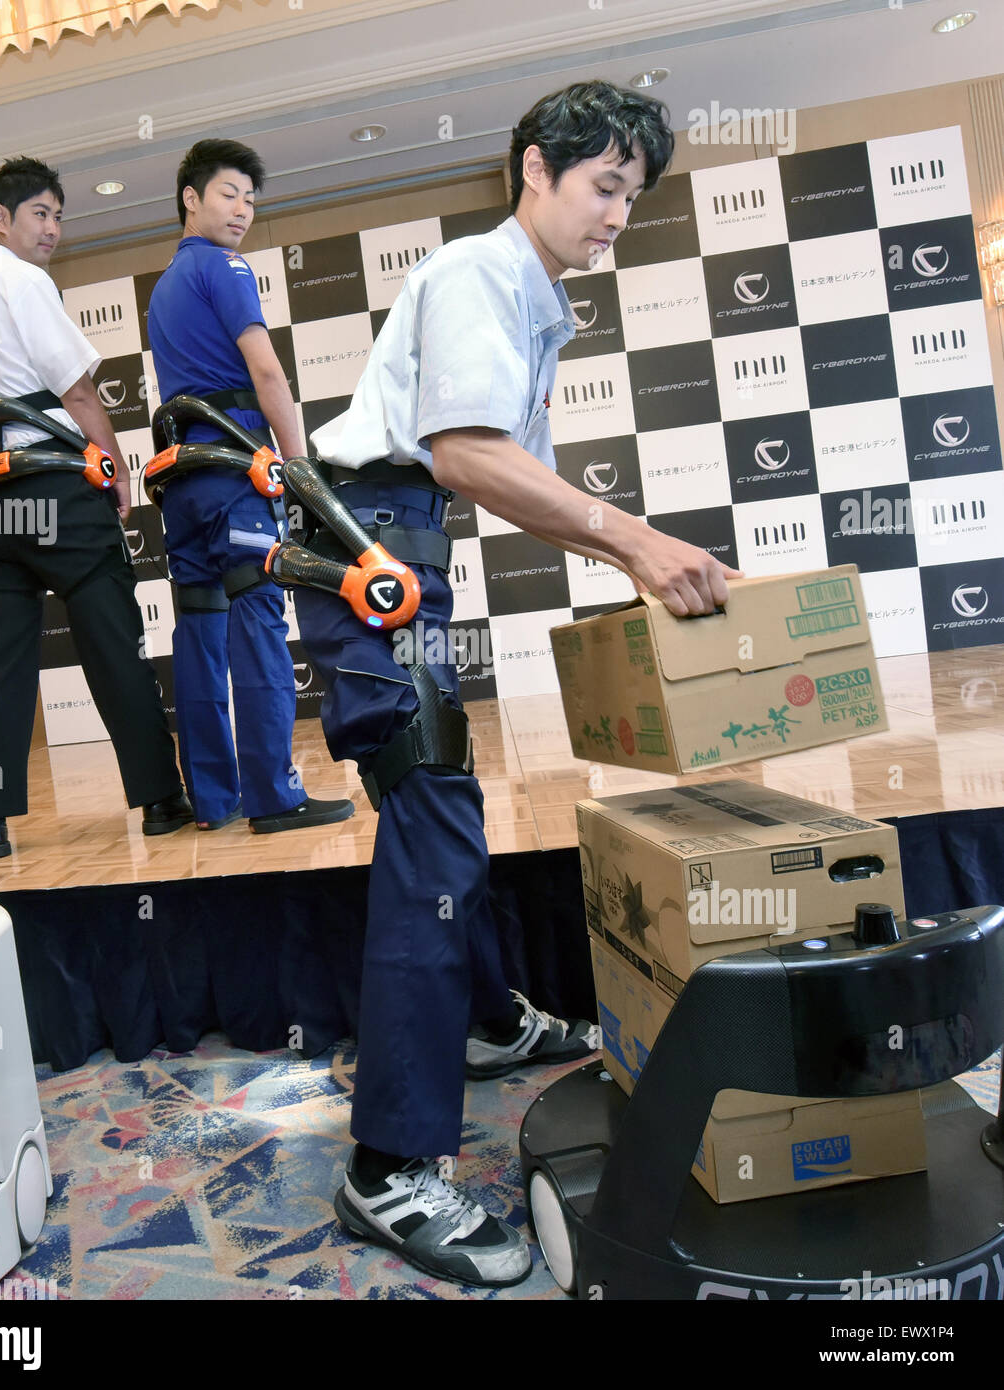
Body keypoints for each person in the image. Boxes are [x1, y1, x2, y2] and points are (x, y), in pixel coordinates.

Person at [296, 80, 741, 1287]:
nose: (616, 218)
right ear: (534, 170)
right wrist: (639, 540)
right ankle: (386, 1169)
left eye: (632, 199)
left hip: (400, 548)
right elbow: (467, 454)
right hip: (367, 553)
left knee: (443, 807)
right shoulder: (474, 276)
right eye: (603, 187)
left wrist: (637, 559)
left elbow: (507, 483)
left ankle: (487, 1020)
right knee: (433, 832)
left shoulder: (532, 303)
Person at [0, 156, 193, 860]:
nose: (52, 228)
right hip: (54, 488)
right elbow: (79, 394)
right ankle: (161, 801)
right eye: (40, 214)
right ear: (1, 218)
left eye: (58, 215)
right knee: (113, 642)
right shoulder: (23, 281)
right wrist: (113, 472)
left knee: (3, 661)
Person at [146, 140, 354, 834]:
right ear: (191, 198)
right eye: (229, 193)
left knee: (201, 635)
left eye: (251, 198)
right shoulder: (226, 267)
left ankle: (213, 800)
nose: (243, 208)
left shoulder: (165, 285)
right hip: (235, 477)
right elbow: (267, 375)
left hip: (183, 488)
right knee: (259, 623)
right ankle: (275, 797)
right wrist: (301, 471)